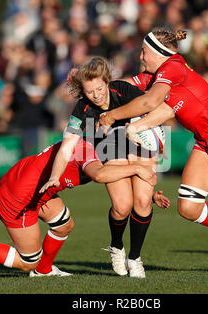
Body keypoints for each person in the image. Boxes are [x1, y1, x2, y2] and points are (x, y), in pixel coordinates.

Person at [98, 27, 208, 273]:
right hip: (206, 142)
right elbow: (124, 88)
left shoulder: (172, 67)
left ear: (157, 52)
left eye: (144, 52)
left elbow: (152, 103)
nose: (140, 57)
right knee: (188, 208)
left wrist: (112, 117)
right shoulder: (156, 75)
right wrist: (94, 92)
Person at [0, 138, 170, 277]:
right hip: (18, 198)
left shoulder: (102, 146)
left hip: (36, 188)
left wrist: (148, 194)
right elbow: (100, 175)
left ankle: (44, 271)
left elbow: (117, 175)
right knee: (27, 261)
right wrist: (139, 169)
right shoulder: (85, 146)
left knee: (64, 225)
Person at [40, 57, 163, 278]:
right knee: (123, 206)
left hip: (138, 140)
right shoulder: (83, 109)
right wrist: (54, 176)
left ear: (107, 82)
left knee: (143, 201)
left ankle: (135, 258)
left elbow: (154, 109)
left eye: (99, 88)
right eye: (89, 91)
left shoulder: (123, 90)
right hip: (110, 146)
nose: (96, 95)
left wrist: (138, 129)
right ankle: (116, 246)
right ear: (82, 92)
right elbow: (67, 146)